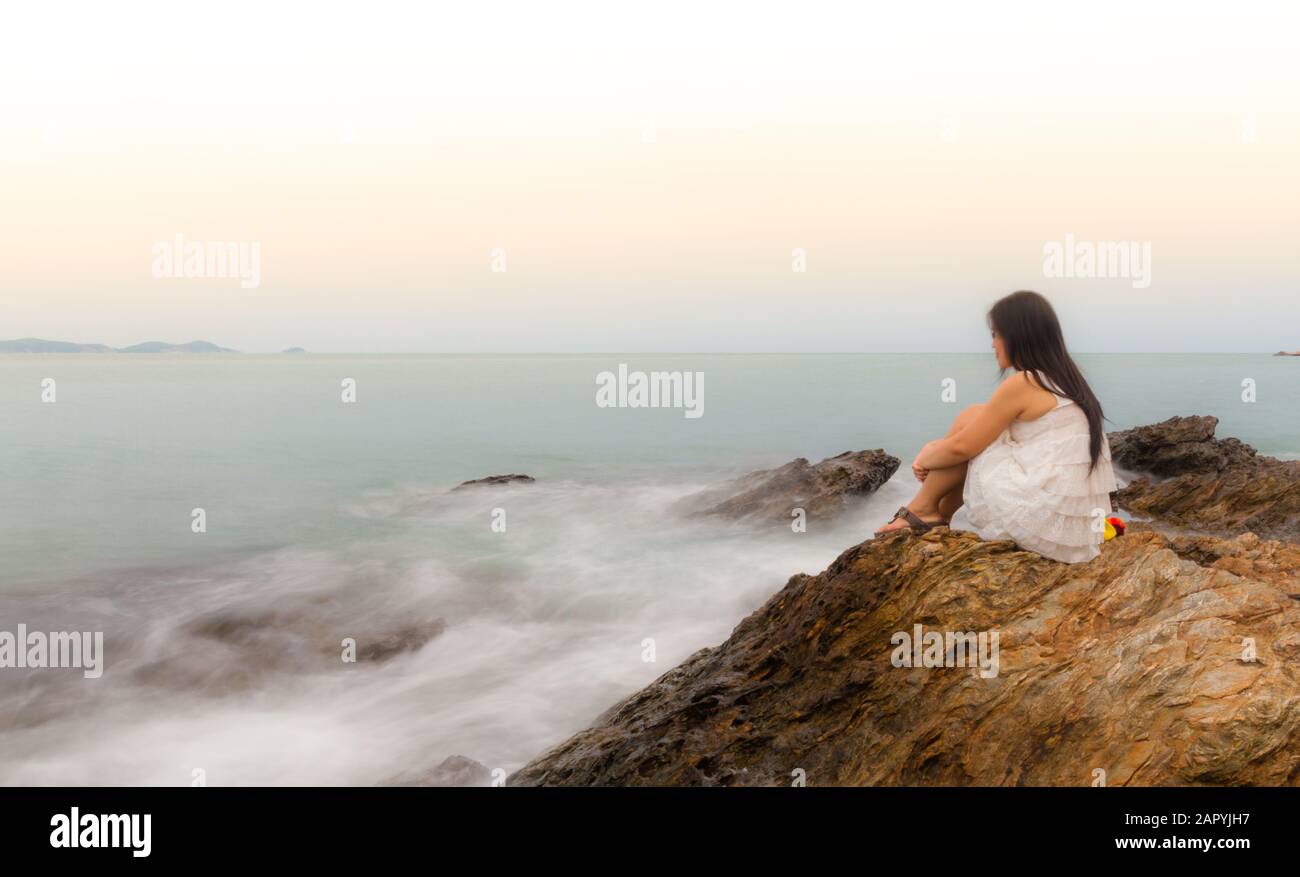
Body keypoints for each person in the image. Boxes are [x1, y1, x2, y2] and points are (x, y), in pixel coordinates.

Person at [874, 290, 1119, 563]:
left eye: (995, 335)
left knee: (971, 419)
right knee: (978, 419)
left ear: (1017, 336)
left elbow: (961, 447)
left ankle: (924, 509)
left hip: (1038, 519)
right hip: (1072, 532)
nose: (992, 345)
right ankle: (934, 512)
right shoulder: (1070, 383)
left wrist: (925, 455)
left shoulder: (1025, 382)